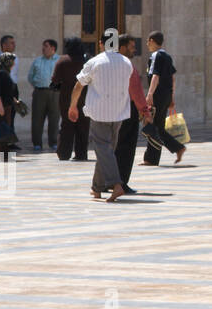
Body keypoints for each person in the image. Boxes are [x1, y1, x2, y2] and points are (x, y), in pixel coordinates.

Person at [69, 34, 135, 202]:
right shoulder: (127, 63)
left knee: (103, 149)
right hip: (119, 112)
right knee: (106, 150)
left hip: (100, 112)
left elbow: (79, 85)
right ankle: (97, 188)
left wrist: (73, 105)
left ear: (100, 43)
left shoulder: (95, 62)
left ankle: (116, 184)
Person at [113, 35, 153, 192]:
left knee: (111, 148)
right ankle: (121, 182)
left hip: (110, 110)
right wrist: (145, 111)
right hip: (126, 110)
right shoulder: (127, 66)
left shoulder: (106, 63)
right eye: (131, 46)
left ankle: (108, 181)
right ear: (122, 47)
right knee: (126, 148)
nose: (134, 49)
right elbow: (135, 91)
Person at [141, 31, 186, 166]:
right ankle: (152, 158)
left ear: (153, 40)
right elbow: (172, 78)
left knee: (151, 126)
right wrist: (171, 97)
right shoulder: (167, 56)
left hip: (158, 96)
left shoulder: (156, 56)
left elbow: (155, 76)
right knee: (157, 127)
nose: (147, 44)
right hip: (165, 96)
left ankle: (176, 148)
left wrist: (149, 94)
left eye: (148, 41)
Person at [54, 38, 89, 161]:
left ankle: (64, 153)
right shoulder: (86, 61)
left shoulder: (62, 61)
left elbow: (55, 80)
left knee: (66, 125)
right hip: (84, 98)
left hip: (66, 99)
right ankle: (81, 154)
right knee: (83, 127)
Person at [27, 39, 60, 152]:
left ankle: (53, 142)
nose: (43, 48)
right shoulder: (37, 61)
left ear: (53, 48)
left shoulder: (59, 61)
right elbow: (30, 77)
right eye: (43, 46)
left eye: (46, 46)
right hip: (39, 92)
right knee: (37, 119)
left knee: (54, 118)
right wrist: (37, 85)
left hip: (55, 93)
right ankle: (37, 143)